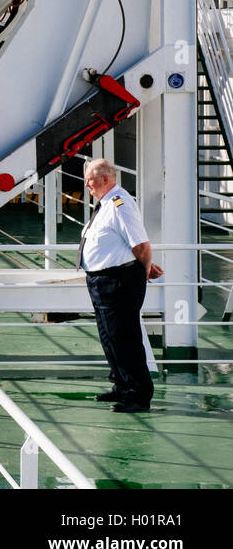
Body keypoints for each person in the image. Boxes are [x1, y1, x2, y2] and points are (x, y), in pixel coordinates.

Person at [78, 159, 163, 412]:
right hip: (102, 281)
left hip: (118, 282)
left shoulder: (120, 204)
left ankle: (138, 394)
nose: (86, 184)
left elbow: (141, 245)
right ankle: (121, 386)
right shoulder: (106, 204)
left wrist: (145, 269)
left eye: (90, 180)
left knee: (124, 338)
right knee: (109, 337)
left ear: (105, 179)